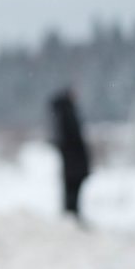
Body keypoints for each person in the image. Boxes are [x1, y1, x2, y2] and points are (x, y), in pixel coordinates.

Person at [50, 88, 91, 221]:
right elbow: (71, 140)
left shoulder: (60, 115)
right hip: (73, 163)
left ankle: (71, 216)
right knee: (72, 191)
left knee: (71, 190)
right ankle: (71, 217)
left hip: (71, 163)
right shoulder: (66, 114)